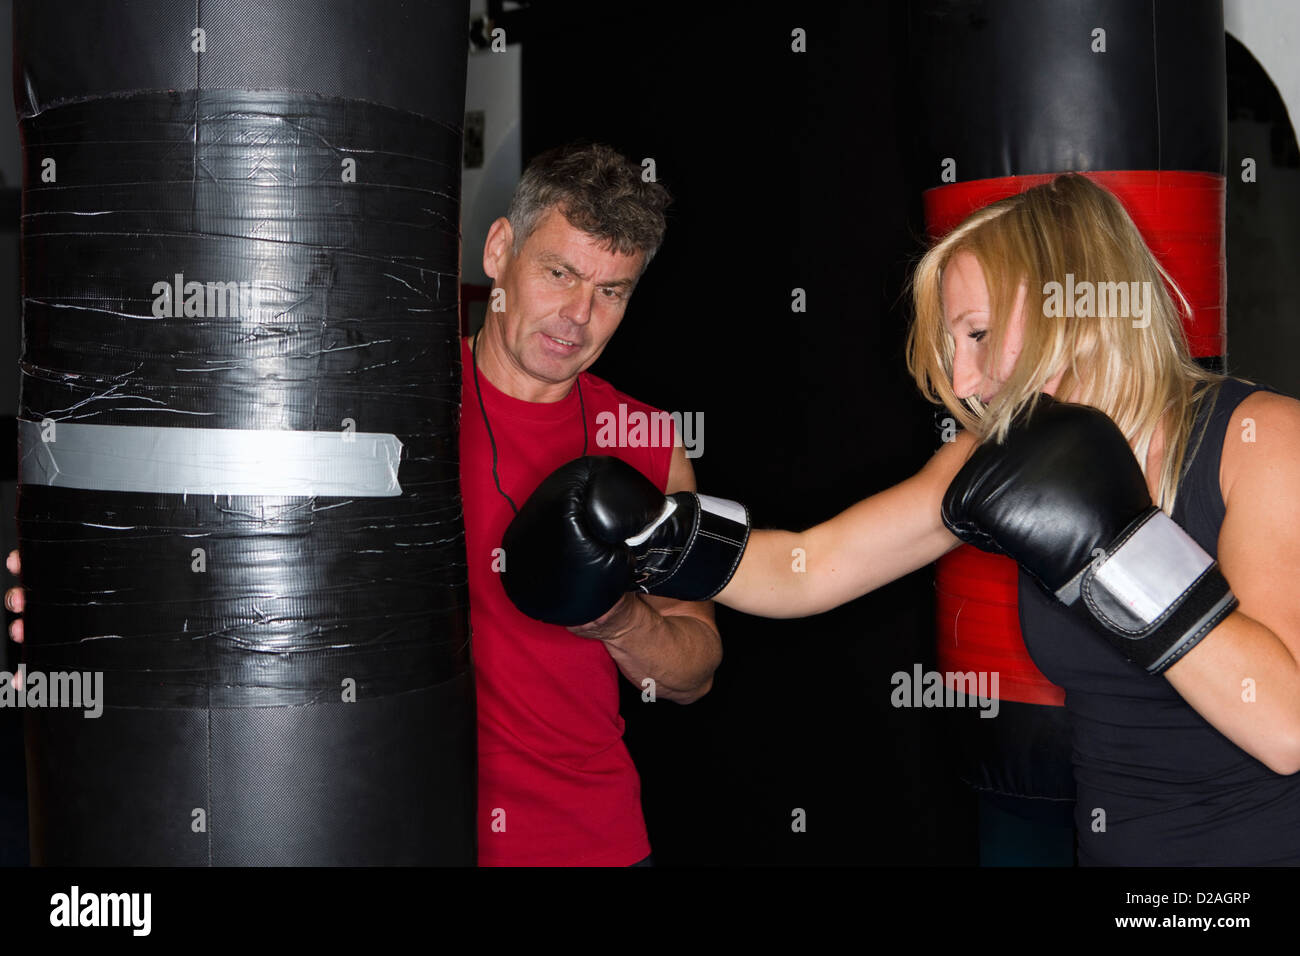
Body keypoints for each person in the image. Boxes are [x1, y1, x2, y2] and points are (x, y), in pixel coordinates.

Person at [505, 173, 1300, 865]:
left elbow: (1285, 728)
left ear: (1076, 301)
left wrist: (1114, 543)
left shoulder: (1258, 442)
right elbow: (804, 568)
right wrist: (657, 531)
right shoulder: (994, 457)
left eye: (980, 334)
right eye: (953, 344)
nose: (961, 377)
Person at [7, 142, 722, 868]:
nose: (578, 315)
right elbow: (233, 543)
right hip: (380, 819)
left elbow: (695, 672)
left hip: (582, 838)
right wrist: (90, 601)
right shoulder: (379, 401)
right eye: (560, 272)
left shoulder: (646, 444)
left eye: (612, 291)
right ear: (501, 249)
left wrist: (616, 615)